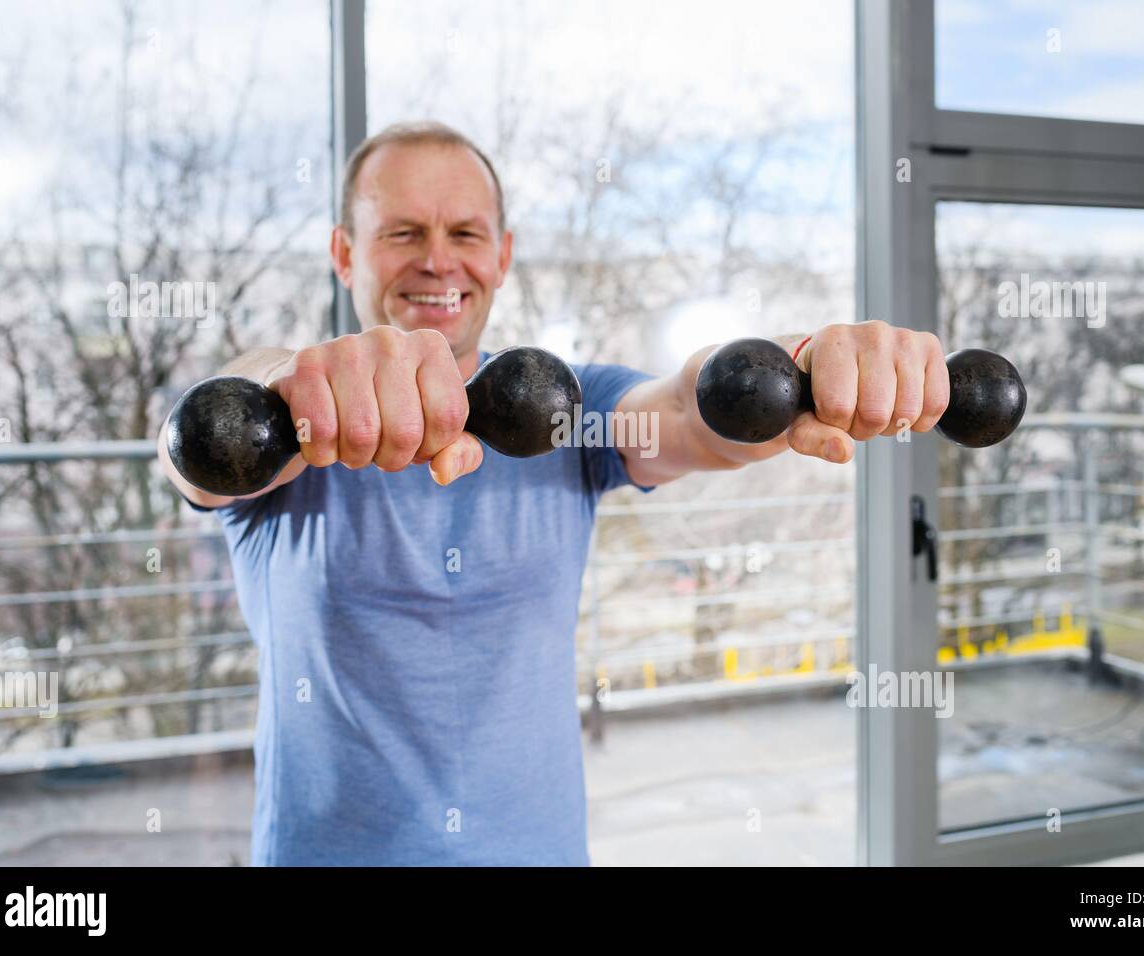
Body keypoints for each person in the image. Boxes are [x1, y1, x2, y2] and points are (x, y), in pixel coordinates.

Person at [157, 121, 950, 865]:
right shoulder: (298, 411)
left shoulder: (569, 408)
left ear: (501, 256)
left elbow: (686, 409)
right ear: (344, 253)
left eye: (464, 233)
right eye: (402, 233)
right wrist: (285, 391)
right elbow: (204, 445)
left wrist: (804, 370)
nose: (438, 260)